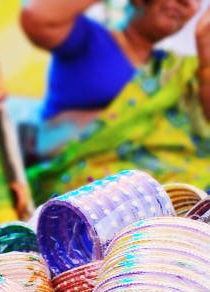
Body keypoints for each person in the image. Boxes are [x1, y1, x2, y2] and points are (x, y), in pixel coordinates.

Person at [20, 0, 210, 200]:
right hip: (85, 198)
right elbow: (38, 17)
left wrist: (206, 60)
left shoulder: (178, 71)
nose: (186, 2)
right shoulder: (90, 40)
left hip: (167, 206)